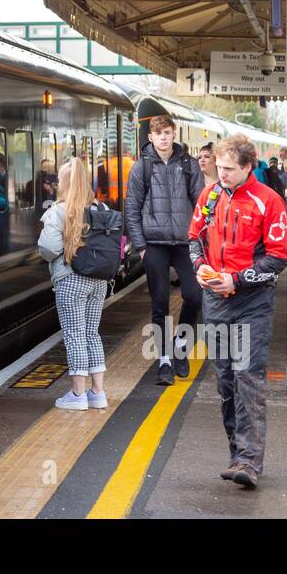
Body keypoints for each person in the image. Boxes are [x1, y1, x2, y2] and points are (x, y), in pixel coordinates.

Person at [189, 134, 287, 490]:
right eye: (219, 168)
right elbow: (195, 238)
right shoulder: (210, 195)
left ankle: (249, 460)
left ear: (249, 167)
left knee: (248, 377)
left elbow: (278, 258)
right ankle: (237, 454)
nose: (222, 174)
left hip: (253, 302)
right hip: (215, 299)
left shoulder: (269, 201)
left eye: (229, 169)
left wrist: (238, 279)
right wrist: (200, 266)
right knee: (226, 380)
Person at [125, 114, 204, 385]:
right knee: (159, 303)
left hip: (185, 243)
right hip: (155, 244)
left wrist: (199, 242)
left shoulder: (189, 164)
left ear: (174, 134)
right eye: (158, 133)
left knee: (194, 296)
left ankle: (180, 348)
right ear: (150, 137)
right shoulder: (141, 168)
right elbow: (131, 209)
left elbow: (201, 206)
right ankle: (164, 361)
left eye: (167, 132)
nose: (163, 137)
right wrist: (141, 247)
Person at [38, 156, 108, 410]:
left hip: (71, 280)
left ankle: (78, 395)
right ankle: (97, 393)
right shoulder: (101, 209)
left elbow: (49, 248)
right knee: (92, 333)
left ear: (64, 183)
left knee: (74, 334)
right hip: (98, 281)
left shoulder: (58, 211)